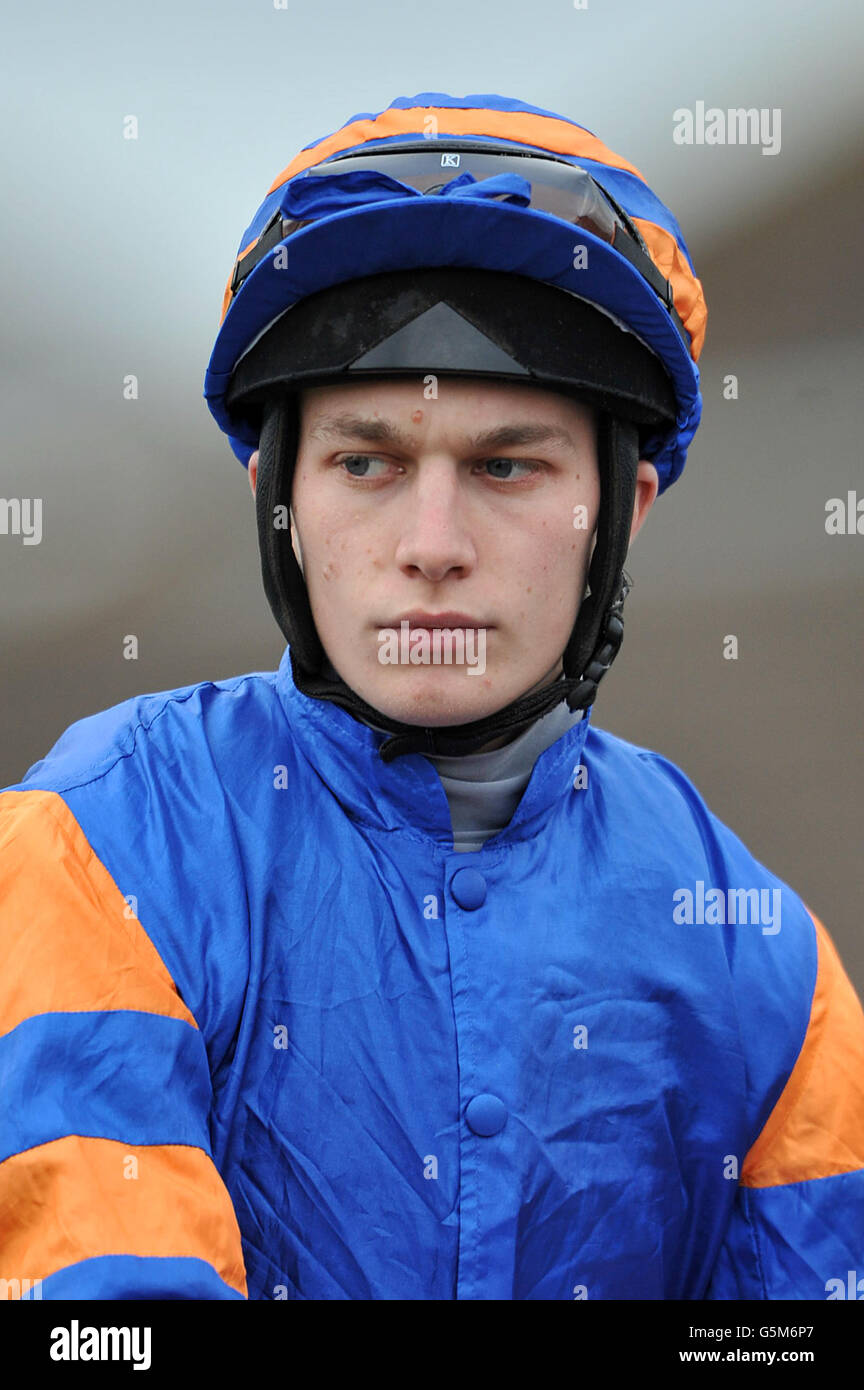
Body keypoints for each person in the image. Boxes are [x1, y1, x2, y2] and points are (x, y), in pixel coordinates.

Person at [1, 91, 862, 1302]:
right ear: (278, 502)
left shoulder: (757, 951)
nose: (433, 542)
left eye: (507, 466)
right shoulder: (97, 845)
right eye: (369, 464)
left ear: (623, 515)